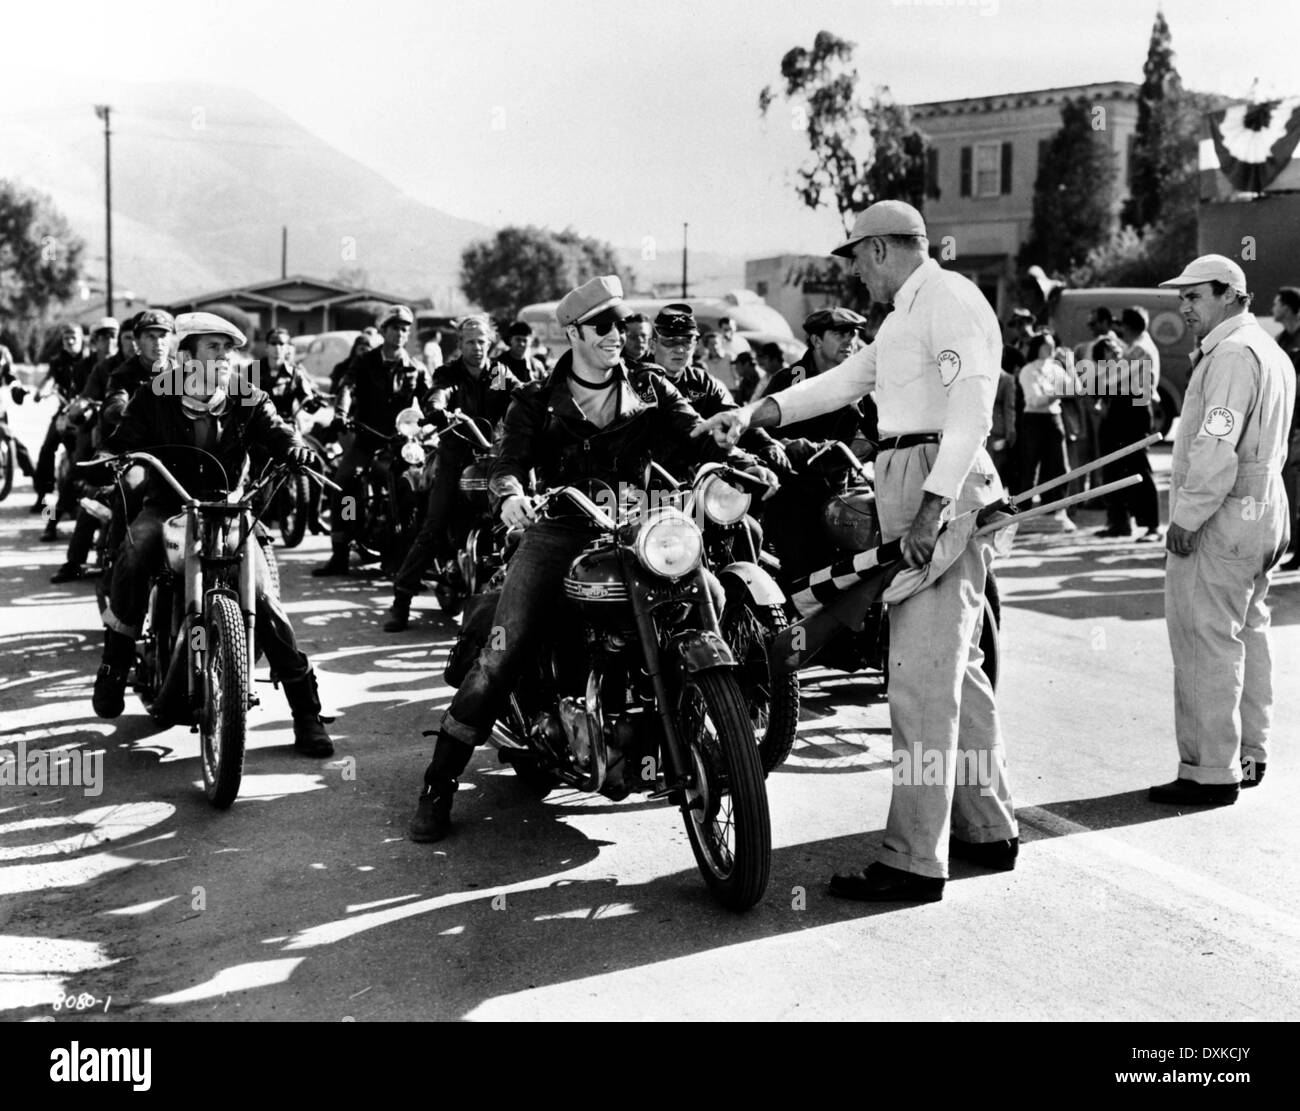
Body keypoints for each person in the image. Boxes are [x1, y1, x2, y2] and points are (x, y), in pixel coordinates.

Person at [696, 200, 1017, 902]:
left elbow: (971, 412)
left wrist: (932, 506)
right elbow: (844, 383)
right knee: (957, 672)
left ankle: (914, 860)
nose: (855, 276)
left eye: (856, 259)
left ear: (877, 250)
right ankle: (986, 827)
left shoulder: (949, 300)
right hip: (915, 476)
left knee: (921, 684)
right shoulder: (906, 313)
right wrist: (753, 412)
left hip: (938, 481)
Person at [407, 276, 777, 843]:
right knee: (506, 648)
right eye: (604, 326)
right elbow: (508, 463)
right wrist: (509, 496)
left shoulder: (652, 386)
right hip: (560, 525)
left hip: (640, 522)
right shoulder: (534, 399)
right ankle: (438, 784)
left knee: (716, 594)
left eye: (623, 325)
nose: (617, 336)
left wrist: (741, 453)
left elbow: (697, 434)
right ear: (574, 333)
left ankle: (706, 719)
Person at [91, 312, 334, 755]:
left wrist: (293, 447)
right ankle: (115, 662)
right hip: (169, 504)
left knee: (263, 597)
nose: (224, 357)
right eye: (213, 348)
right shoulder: (155, 394)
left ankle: (307, 713)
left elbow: (275, 428)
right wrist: (116, 455)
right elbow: (126, 436)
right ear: (186, 355)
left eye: (229, 349)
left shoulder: (245, 394)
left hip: (228, 508)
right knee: (137, 547)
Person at [1150, 256, 1295, 805]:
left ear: (1232, 294)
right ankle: (1249, 753)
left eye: (1195, 296)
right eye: (1181, 298)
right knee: (1248, 630)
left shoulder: (1232, 354)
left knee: (1204, 638)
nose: (1185, 308)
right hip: (1263, 507)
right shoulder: (1269, 350)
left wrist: (1186, 518)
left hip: (1226, 510)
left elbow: (1216, 447)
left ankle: (1211, 770)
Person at [383, 315, 525, 631]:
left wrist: (540, 400)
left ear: (490, 343)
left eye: (482, 341)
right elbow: (439, 391)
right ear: (459, 344)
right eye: (470, 342)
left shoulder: (497, 374)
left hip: (493, 457)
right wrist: (436, 408)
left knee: (520, 519)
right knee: (433, 526)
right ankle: (401, 601)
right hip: (455, 458)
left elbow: (519, 393)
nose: (477, 347)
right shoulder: (451, 374)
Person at [313, 305, 431, 576]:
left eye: (405, 329)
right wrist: (341, 414)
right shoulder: (365, 362)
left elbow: (430, 401)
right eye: (395, 328)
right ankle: (340, 551)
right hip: (367, 437)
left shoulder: (415, 368)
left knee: (415, 485)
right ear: (383, 331)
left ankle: (407, 558)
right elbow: (347, 386)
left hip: (400, 441)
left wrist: (433, 420)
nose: (400, 333)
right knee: (345, 482)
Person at [760, 306, 877, 578]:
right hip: (794, 495)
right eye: (839, 333)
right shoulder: (789, 379)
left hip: (839, 494)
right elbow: (761, 435)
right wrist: (792, 446)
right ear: (816, 340)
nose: (850, 340)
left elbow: (878, 432)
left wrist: (868, 449)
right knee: (800, 575)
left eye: (853, 334)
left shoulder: (858, 383)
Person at [644, 303, 790, 477]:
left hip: (698, 480)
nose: (680, 349)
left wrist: (766, 444)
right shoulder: (637, 380)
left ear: (696, 345)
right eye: (670, 341)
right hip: (646, 480)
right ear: (652, 345)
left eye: (687, 341)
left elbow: (734, 414)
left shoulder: (703, 382)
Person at [1097, 306, 1161, 541]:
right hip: (1127, 407)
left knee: (1137, 466)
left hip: (1133, 408)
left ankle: (1152, 525)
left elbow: (1114, 378)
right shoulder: (1137, 346)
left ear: (1127, 326)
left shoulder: (1140, 349)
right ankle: (1120, 522)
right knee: (1118, 466)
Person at [32, 322, 94, 524]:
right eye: (66, 337)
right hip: (64, 411)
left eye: (73, 337)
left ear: (81, 339)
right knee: (47, 447)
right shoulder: (58, 360)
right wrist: (40, 392)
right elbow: (50, 379)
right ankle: (42, 494)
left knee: (82, 454)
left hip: (86, 413)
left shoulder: (90, 361)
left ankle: (79, 500)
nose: (69, 341)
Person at [1018, 333, 1076, 531]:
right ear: (1037, 347)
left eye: (1053, 346)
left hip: (1053, 418)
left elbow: (1074, 387)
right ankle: (1023, 510)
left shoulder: (1056, 368)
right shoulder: (1028, 370)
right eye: (1046, 346)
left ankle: (1058, 508)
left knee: (1060, 465)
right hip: (1034, 419)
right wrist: (1058, 394)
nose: (1051, 350)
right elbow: (1034, 399)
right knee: (1030, 466)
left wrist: (1070, 364)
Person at [1272, 287, 1300, 570]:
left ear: (1290, 308)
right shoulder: (1282, 339)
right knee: (1290, 486)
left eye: (1277, 303)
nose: (1273, 307)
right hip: (1287, 422)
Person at [988, 365, 1018, 489]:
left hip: (996, 431)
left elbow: (1009, 407)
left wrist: (1010, 433)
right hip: (981, 430)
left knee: (993, 469)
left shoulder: (1007, 379)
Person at [330, 328, 382, 393]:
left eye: (367, 350)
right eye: (361, 349)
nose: (364, 353)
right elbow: (334, 391)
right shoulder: (341, 367)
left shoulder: (377, 368)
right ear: (355, 349)